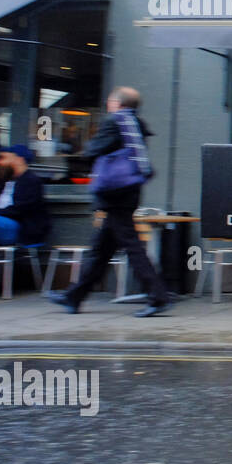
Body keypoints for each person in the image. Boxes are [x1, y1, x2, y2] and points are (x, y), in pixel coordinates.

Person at [48, 87, 172, 317]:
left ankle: (158, 296)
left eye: (110, 100)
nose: (108, 104)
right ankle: (74, 296)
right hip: (129, 192)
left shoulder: (116, 121)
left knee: (132, 246)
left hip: (115, 194)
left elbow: (93, 151)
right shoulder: (136, 124)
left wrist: (79, 154)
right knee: (102, 248)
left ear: (118, 103)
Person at [0, 144, 50, 247]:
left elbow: (20, 209)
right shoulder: (4, 181)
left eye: (3, 158)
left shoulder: (32, 181)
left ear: (19, 159)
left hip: (20, 228)